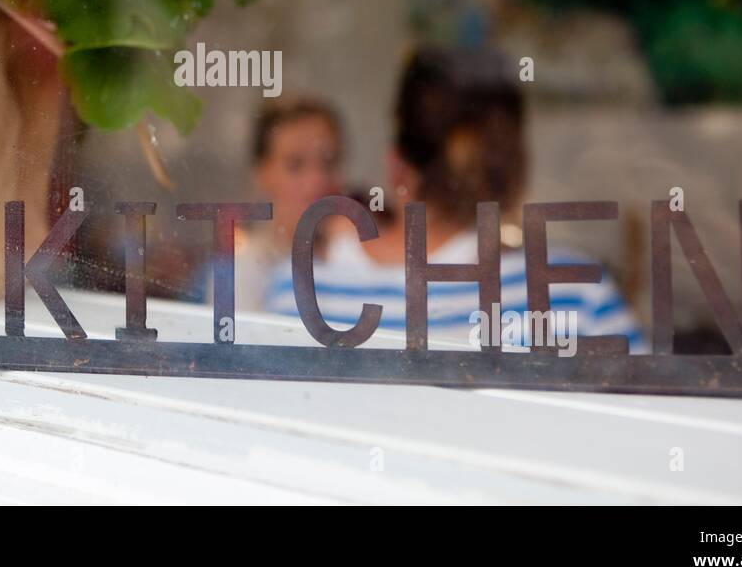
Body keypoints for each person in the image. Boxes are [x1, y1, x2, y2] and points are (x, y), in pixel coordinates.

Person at [264, 47, 644, 351]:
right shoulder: (574, 294)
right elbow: (657, 423)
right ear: (516, 169)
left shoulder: (299, 295)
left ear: (397, 166)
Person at [231, 98, 347, 312]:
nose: (317, 181)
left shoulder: (355, 260)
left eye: (329, 162)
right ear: (262, 173)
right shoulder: (243, 270)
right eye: (295, 165)